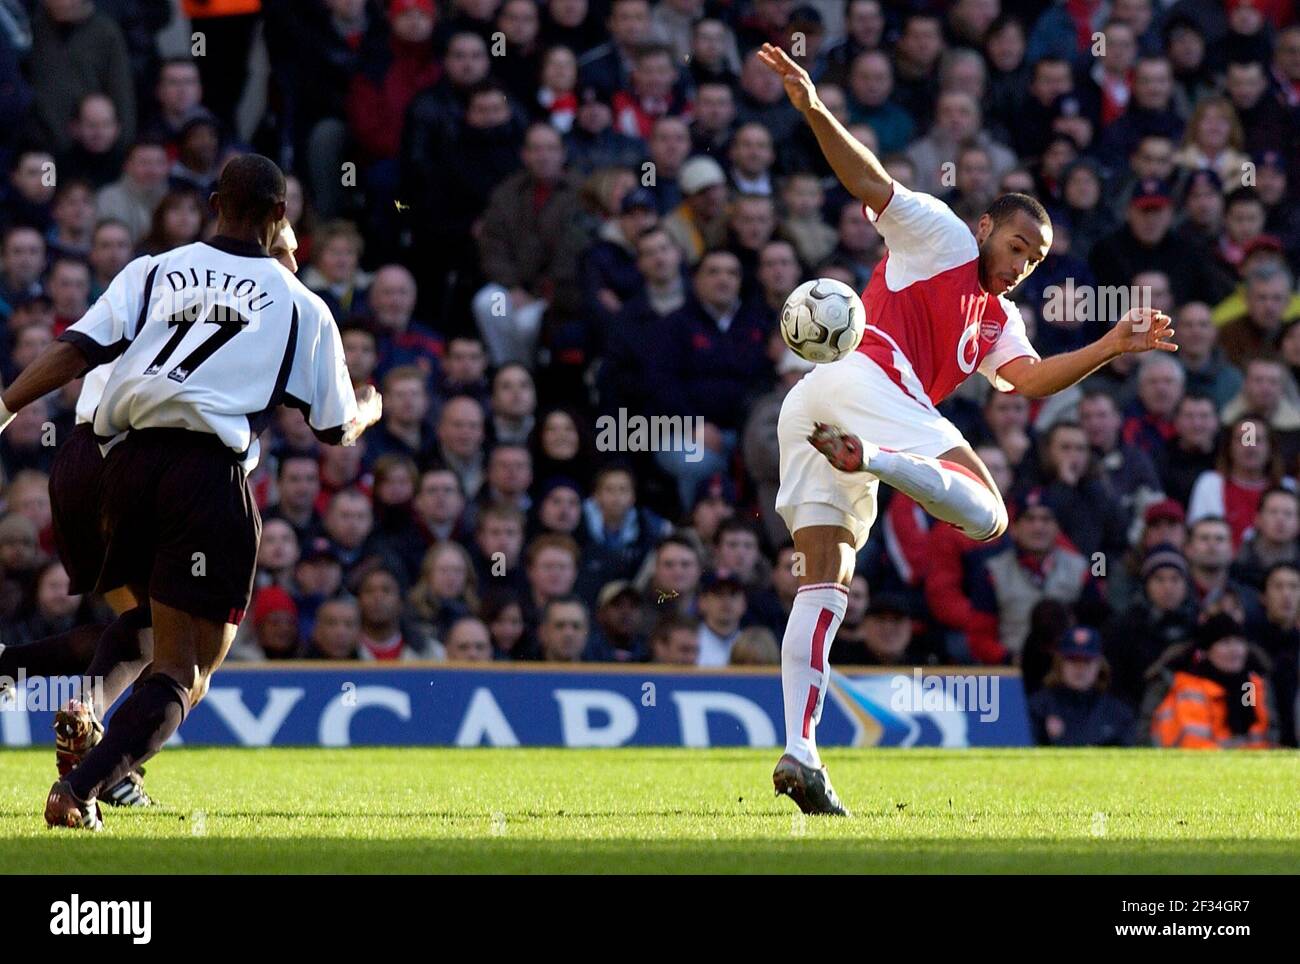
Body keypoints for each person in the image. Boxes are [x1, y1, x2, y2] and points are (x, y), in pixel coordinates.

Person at [756, 44, 1175, 815]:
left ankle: (801, 751)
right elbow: (869, 182)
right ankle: (873, 458)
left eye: (1037, 258)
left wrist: (1112, 345)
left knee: (825, 577)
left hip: (817, 403)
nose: (1023, 264)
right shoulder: (942, 235)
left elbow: (1030, 379)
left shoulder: (999, 319)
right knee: (991, 512)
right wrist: (814, 109)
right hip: (867, 380)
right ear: (987, 227)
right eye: (1017, 246)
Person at [0, 154, 383, 830]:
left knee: (145, 626)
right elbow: (330, 427)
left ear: (212, 203)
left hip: (103, 463)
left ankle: (49, 696)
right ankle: (81, 790)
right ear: (280, 215)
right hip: (200, 477)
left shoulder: (152, 269)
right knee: (186, 668)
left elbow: (78, 348)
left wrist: (4, 409)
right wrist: (366, 413)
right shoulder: (302, 304)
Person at [1029, 626, 1135, 746]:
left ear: (1099, 665)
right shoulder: (1038, 708)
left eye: (1087, 661)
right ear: (1059, 663)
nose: (1080, 668)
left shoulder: (1118, 713)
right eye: (1073, 660)